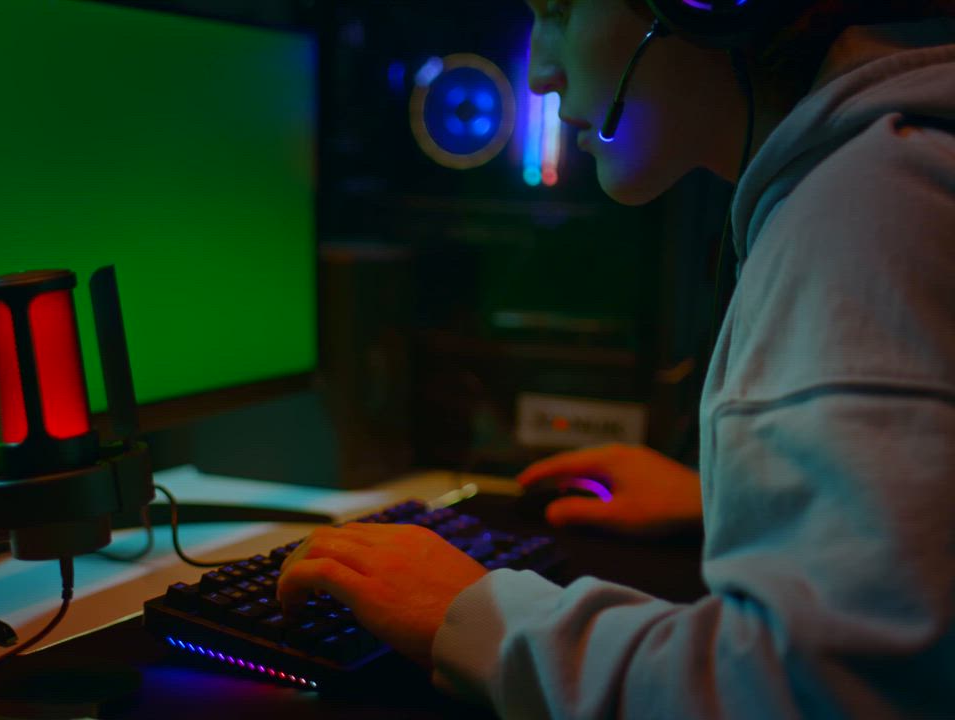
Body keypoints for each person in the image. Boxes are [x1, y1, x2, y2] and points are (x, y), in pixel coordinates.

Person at [276, 1, 955, 717]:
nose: (538, 74)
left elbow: (810, 691)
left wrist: (473, 615)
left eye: (560, 11)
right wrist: (729, 497)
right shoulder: (896, 169)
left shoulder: (869, 208)